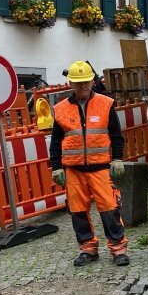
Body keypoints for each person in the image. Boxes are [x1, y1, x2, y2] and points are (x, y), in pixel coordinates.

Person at [49, 60, 129, 267]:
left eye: (86, 82)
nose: (83, 86)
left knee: (110, 209)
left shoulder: (106, 103)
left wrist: (117, 158)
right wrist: (56, 166)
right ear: (71, 84)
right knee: (77, 211)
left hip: (100, 167)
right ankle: (88, 249)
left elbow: (116, 135)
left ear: (93, 81)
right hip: (73, 169)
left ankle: (118, 249)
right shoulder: (60, 110)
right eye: (78, 83)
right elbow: (56, 142)